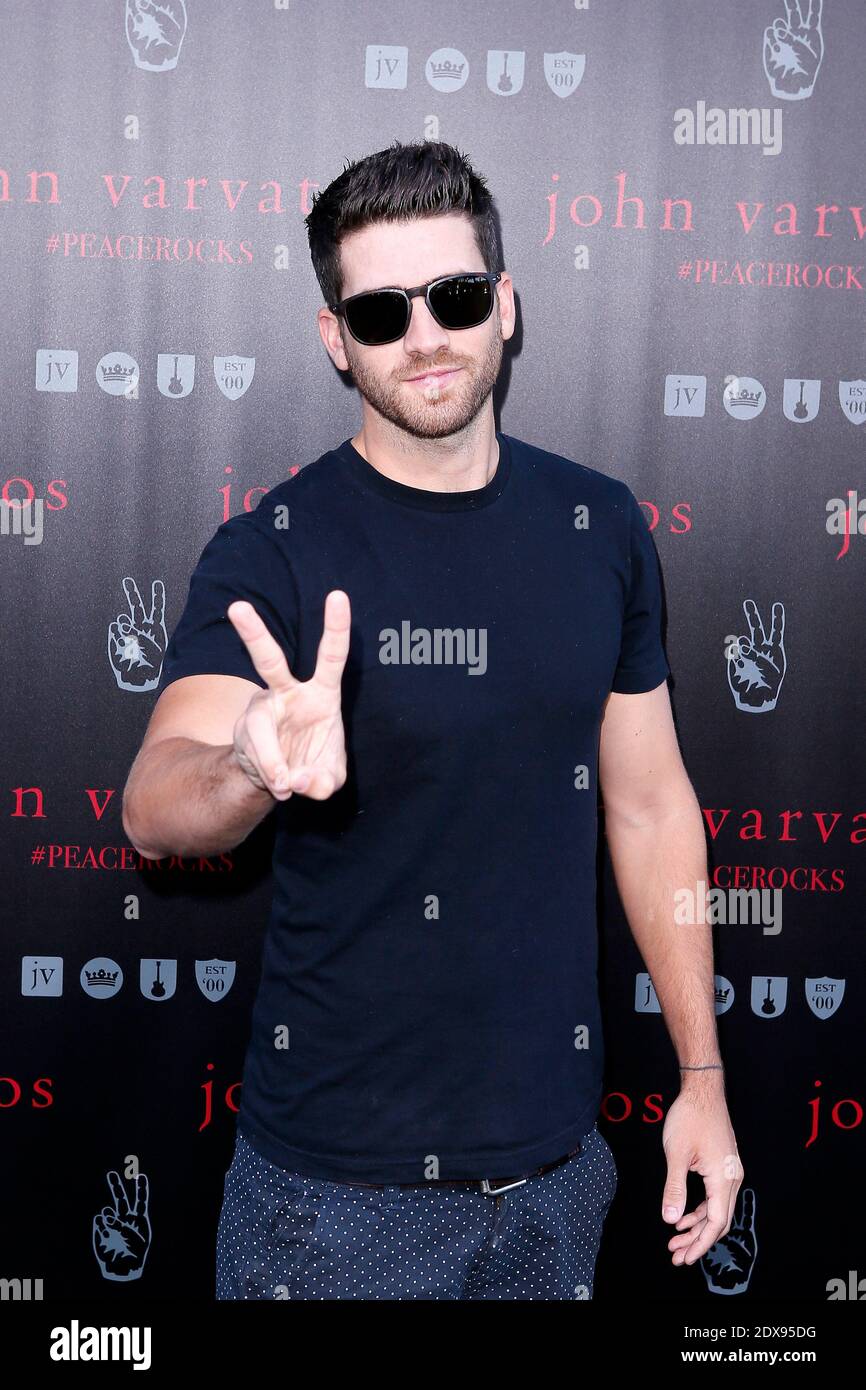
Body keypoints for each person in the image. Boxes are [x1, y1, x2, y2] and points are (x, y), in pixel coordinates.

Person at [122, 139, 743, 1301]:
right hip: (326, 1202)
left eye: (454, 296)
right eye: (378, 310)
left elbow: (650, 807)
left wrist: (699, 1076)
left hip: (556, 1180)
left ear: (504, 308)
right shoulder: (274, 550)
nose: (423, 335)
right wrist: (251, 764)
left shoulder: (598, 528)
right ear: (333, 340)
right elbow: (157, 805)